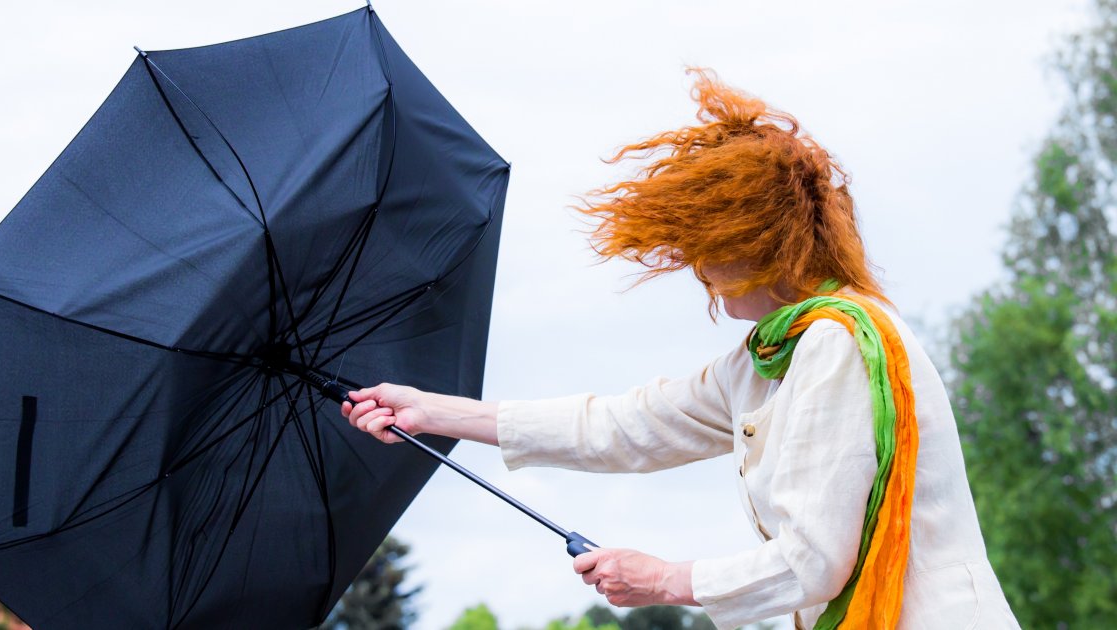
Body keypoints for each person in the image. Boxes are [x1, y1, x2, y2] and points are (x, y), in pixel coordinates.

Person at [340, 68, 1019, 629]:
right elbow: (621, 425)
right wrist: (434, 412)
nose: (697, 268)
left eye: (703, 247)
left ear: (753, 242)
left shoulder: (837, 344)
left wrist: (666, 579)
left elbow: (814, 562)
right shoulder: (766, 359)